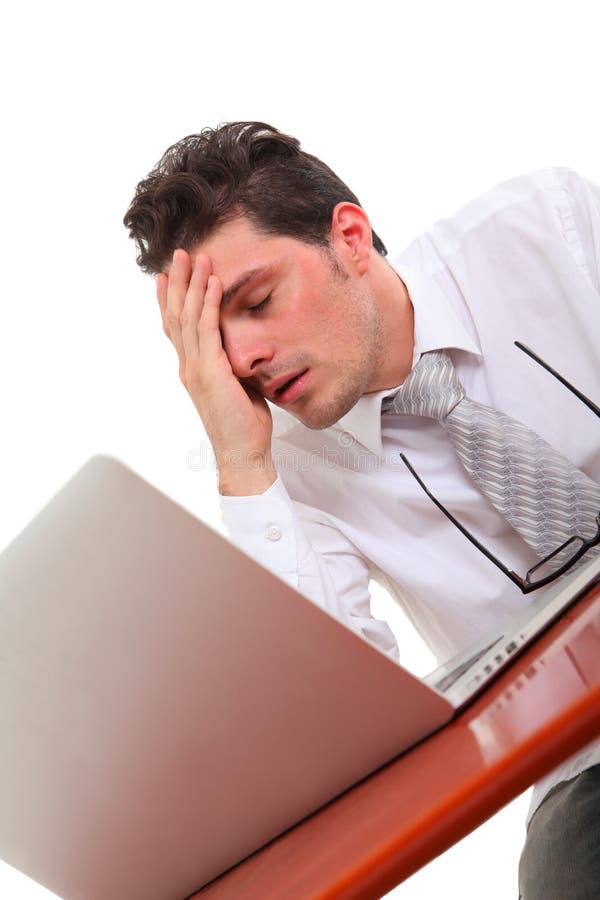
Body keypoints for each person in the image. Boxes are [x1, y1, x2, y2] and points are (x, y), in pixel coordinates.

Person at [124, 122, 600, 899]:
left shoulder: (548, 229)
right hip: (587, 756)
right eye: (213, 343)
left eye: (258, 301)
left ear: (349, 238)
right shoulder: (286, 474)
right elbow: (334, 738)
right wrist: (243, 465)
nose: (242, 360)